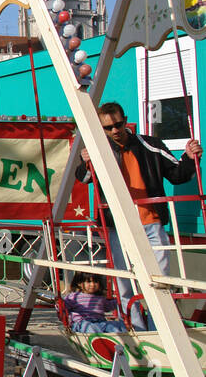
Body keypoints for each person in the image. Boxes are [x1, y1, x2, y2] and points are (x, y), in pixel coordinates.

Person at [78, 102, 203, 330]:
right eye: (108, 128)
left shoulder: (149, 145)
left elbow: (176, 174)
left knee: (160, 280)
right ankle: (136, 328)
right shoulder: (99, 149)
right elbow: (84, 178)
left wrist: (189, 156)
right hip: (119, 225)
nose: (114, 131)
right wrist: (86, 160)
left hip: (151, 221)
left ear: (125, 121)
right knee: (125, 281)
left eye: (118, 124)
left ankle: (159, 328)